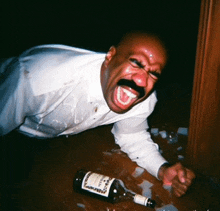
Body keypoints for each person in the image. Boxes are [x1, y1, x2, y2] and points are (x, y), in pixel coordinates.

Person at [0, 31, 195, 197]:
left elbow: (132, 136)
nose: (142, 81)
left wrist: (162, 169)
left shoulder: (143, 98)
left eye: (153, 74)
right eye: (136, 63)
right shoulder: (36, 79)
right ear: (110, 56)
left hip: (54, 139)